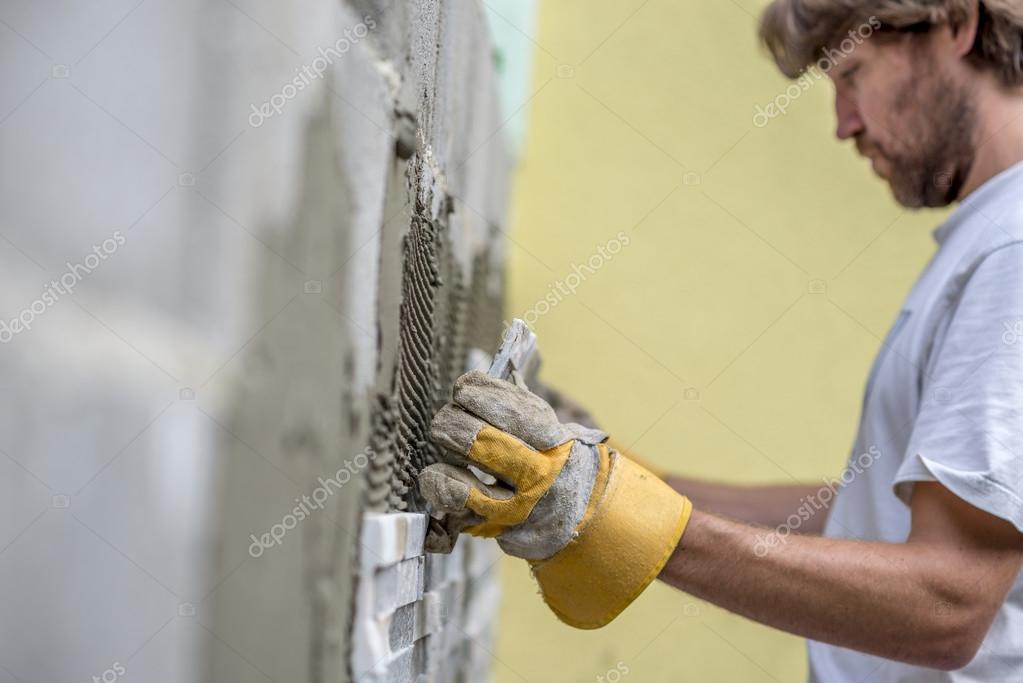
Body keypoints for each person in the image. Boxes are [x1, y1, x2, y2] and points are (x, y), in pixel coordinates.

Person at [418, 1, 1023, 679]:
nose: (842, 124)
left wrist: (616, 517)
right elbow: (873, 510)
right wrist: (634, 481)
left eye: (851, 74)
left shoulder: (1010, 251)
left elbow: (948, 604)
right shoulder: (988, 239)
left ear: (958, 25)